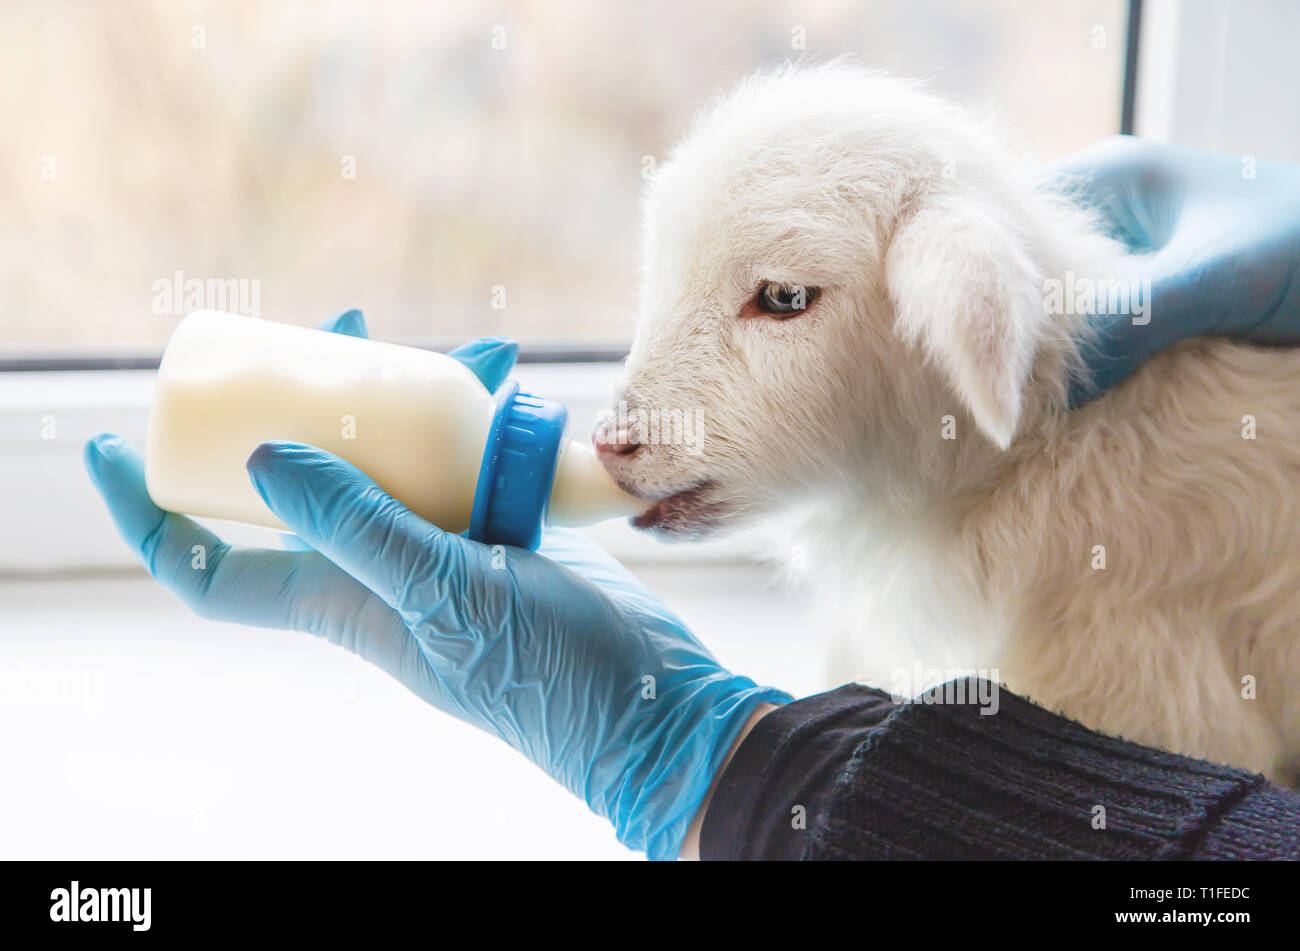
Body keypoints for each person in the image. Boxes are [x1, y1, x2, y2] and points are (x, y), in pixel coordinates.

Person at [85, 138, 1300, 860]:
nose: (620, 429)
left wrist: (737, 770)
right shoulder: (896, 535)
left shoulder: (1136, 538)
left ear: (963, 319)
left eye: (777, 300)